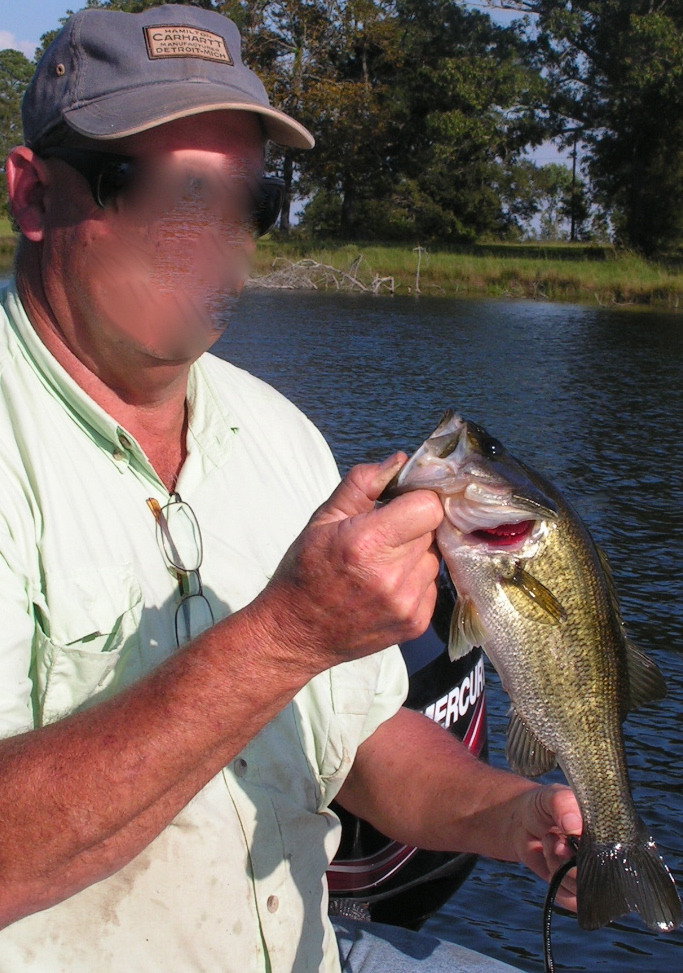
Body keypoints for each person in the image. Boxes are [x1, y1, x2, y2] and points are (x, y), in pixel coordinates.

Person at [0, 5, 581, 971]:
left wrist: (513, 816)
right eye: (150, 185)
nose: (208, 236)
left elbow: (357, 736)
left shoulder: (279, 435)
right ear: (32, 195)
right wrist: (286, 634)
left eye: (242, 202)